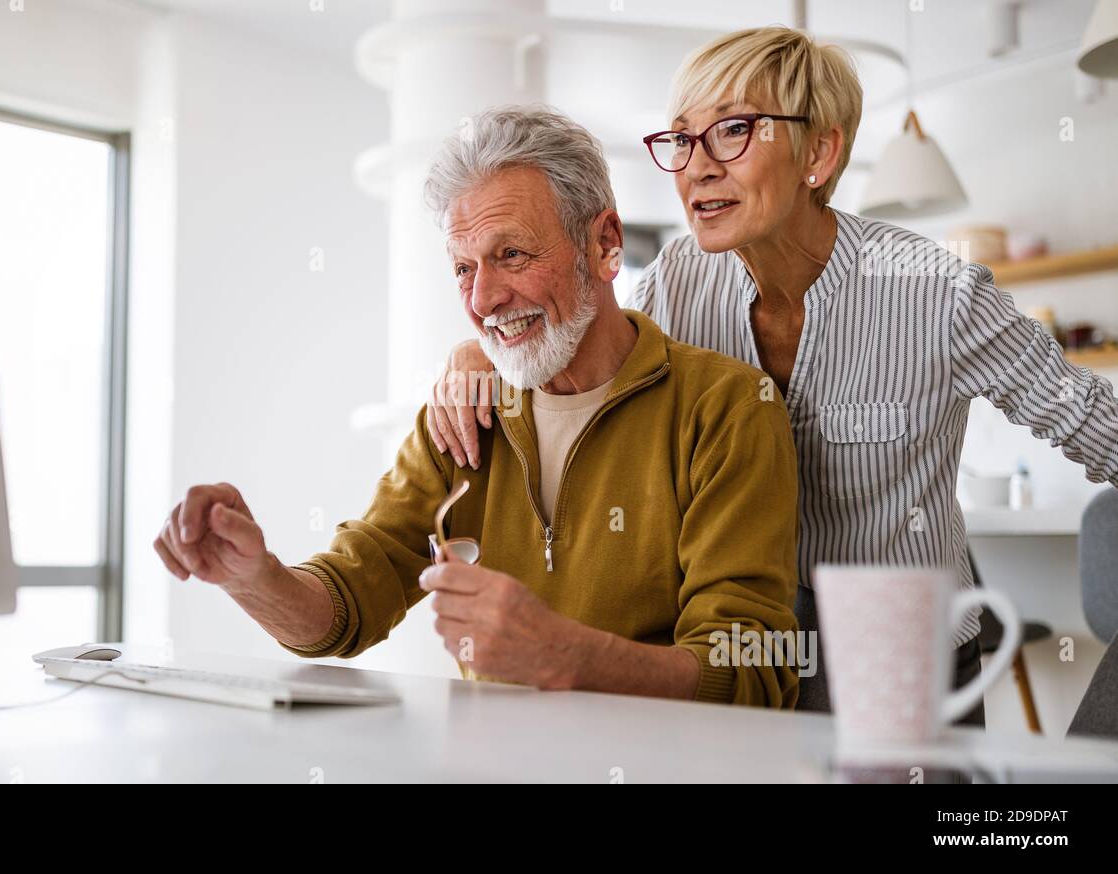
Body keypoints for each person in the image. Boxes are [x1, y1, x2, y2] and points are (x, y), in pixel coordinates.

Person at [426, 27, 1118, 722]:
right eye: (683, 140)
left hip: (900, 671)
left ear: (818, 152)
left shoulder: (939, 294)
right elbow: (582, 355)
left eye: (732, 131)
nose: (697, 167)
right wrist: (480, 355)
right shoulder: (676, 282)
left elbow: (1097, 425)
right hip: (739, 662)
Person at [156, 107, 802, 707]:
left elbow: (753, 668)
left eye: (511, 254)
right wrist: (254, 578)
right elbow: (351, 602)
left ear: (605, 243)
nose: (484, 298)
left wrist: (571, 658)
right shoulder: (464, 412)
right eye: (463, 268)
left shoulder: (729, 408)